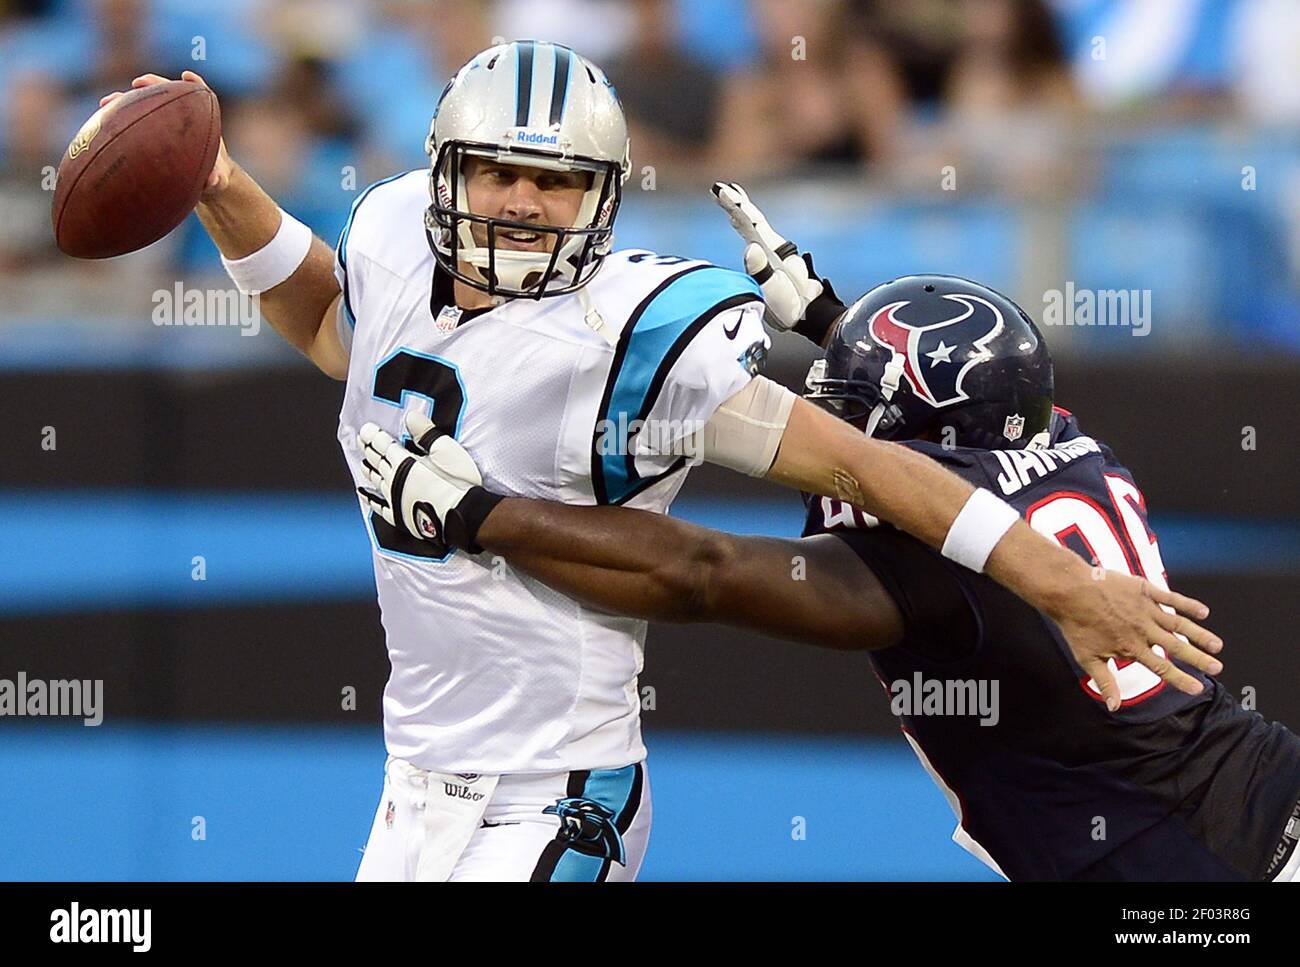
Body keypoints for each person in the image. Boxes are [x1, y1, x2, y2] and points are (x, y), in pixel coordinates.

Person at [106, 45, 1217, 882]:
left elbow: (870, 472)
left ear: (606, 195)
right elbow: (340, 340)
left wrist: (1061, 586)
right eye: (497, 173)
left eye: (554, 182)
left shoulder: (640, 333)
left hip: (554, 789)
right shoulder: (395, 234)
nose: (522, 203)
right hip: (416, 780)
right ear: (445, 171)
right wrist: (216, 182)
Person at [357, 252, 1297, 881]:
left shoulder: (943, 570)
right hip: (1247, 804)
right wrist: (838, 322)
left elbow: (703, 572)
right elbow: (959, 429)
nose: (837, 425)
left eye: (858, 404)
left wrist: (481, 514)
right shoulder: (1071, 445)